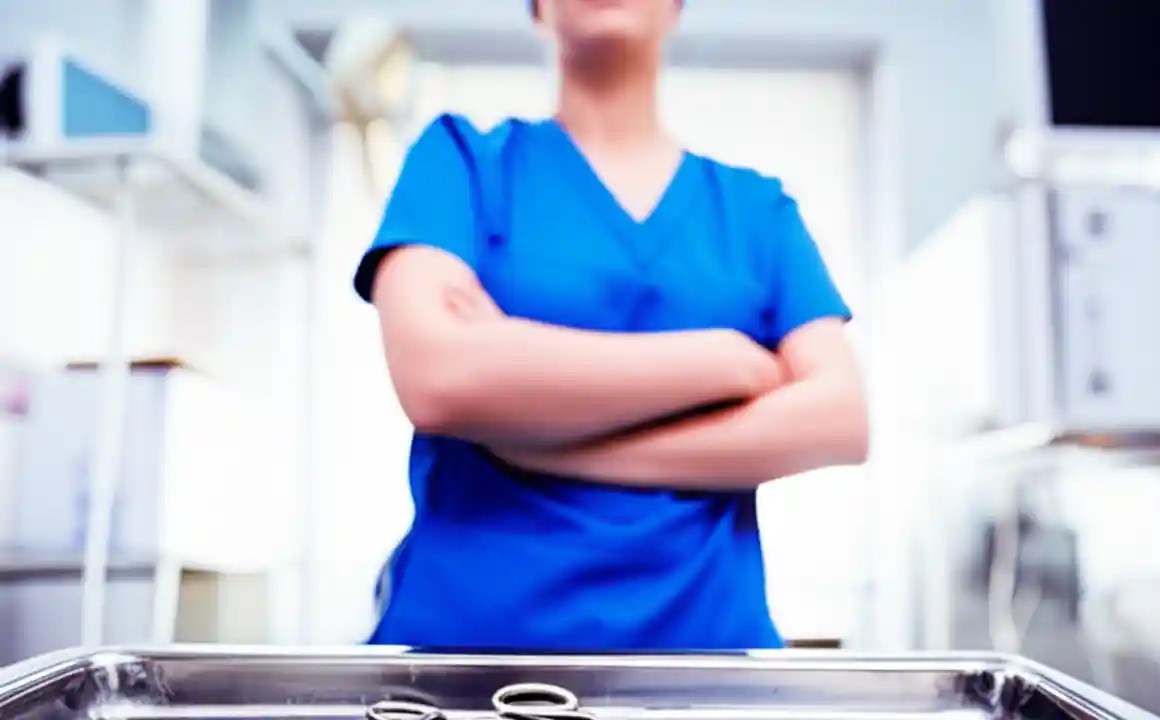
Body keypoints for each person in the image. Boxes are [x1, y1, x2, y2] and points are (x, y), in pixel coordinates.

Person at [353, 0, 869, 650]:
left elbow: (840, 418)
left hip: (710, 673)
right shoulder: (460, 163)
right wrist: (726, 362)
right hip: (465, 666)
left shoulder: (756, 210)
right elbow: (438, 379)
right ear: (538, 9)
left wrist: (531, 436)